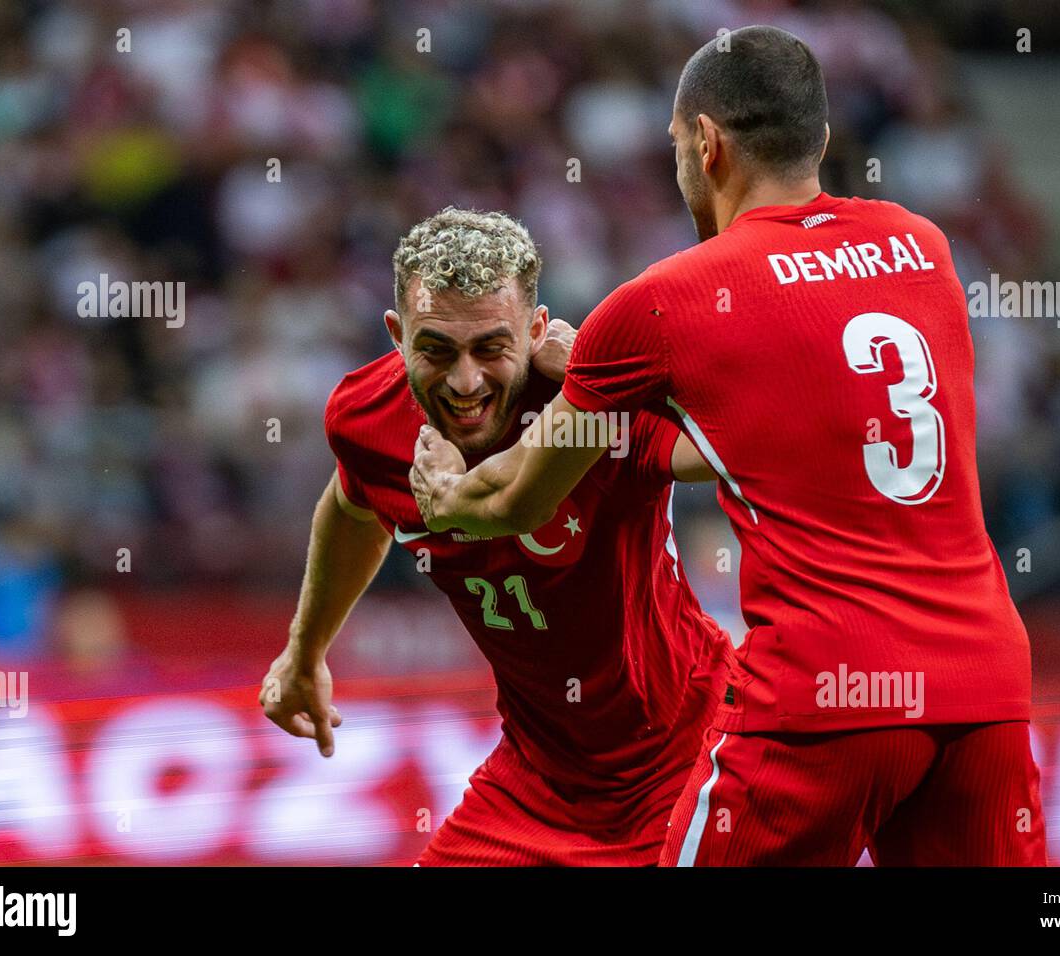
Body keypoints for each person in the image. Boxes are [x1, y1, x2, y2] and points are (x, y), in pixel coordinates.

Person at [410, 27, 1045, 866]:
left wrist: (447, 493)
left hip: (820, 703)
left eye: (677, 146)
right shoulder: (922, 249)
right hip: (986, 686)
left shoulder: (663, 302)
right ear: (817, 138)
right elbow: (805, 423)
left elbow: (515, 500)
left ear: (705, 144)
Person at [259, 207, 730, 866]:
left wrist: (636, 389)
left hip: (686, 760)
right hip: (537, 782)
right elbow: (352, 508)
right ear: (397, 336)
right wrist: (304, 651)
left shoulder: (594, 407)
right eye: (437, 349)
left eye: (490, 348)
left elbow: (741, 443)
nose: (465, 381)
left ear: (535, 330)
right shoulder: (366, 419)